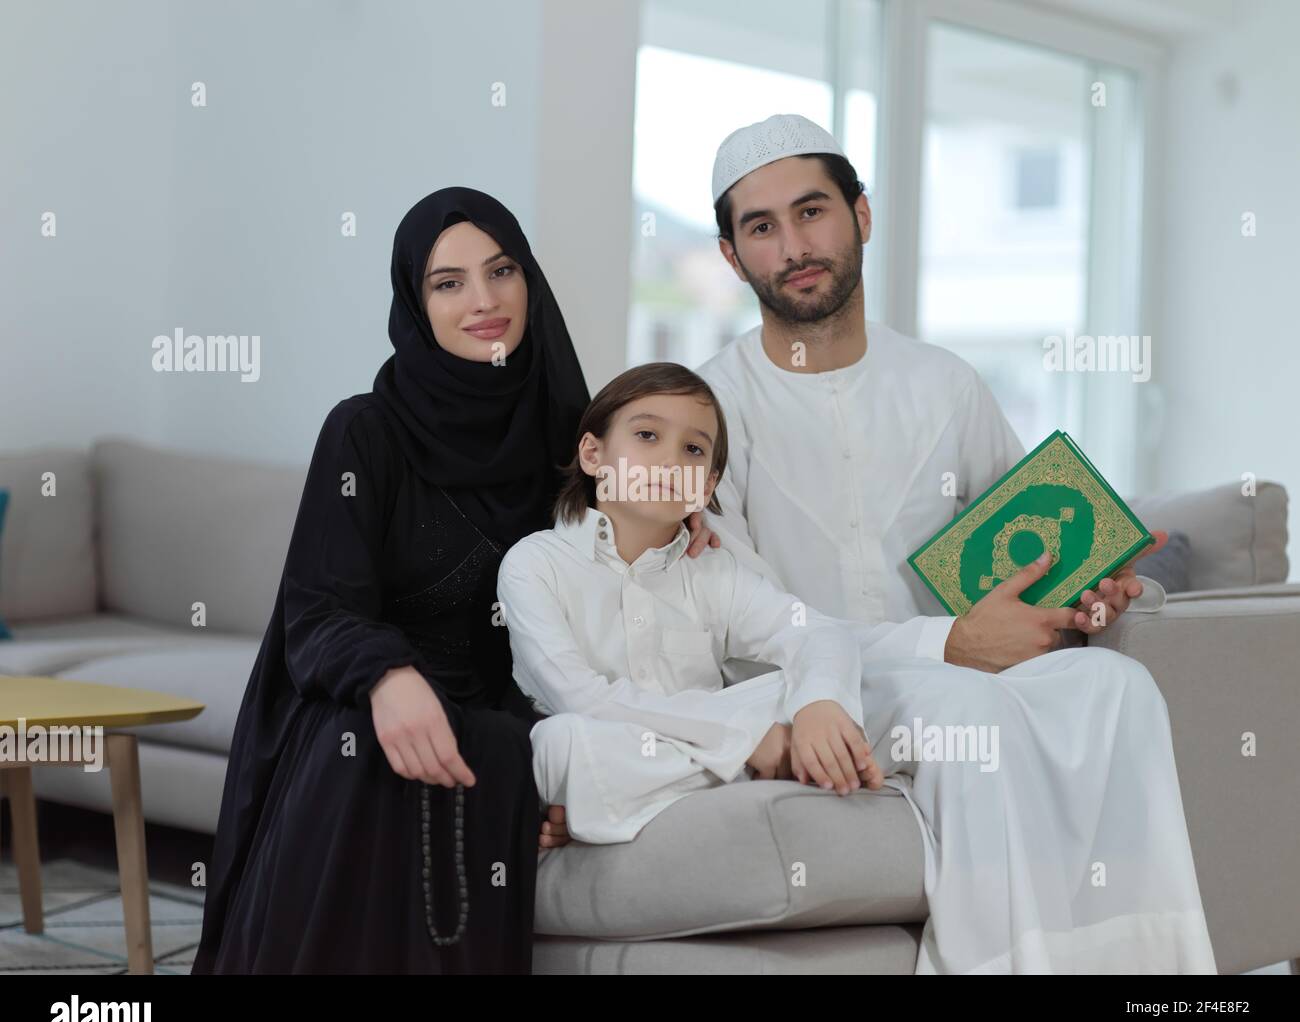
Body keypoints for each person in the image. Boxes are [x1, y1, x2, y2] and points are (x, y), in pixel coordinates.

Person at [498, 362, 1218, 974]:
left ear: (708, 482)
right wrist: (746, 734)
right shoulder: (535, 565)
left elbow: (816, 634)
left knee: (1114, 683)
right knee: (564, 744)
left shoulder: (709, 567)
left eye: (693, 451)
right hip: (614, 736)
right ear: (594, 454)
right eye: (647, 437)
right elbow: (579, 696)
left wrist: (813, 706)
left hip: (714, 733)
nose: (667, 461)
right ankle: (716, 762)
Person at [191, 187, 594, 974]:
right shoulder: (364, 431)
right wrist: (387, 673)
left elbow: (620, 578)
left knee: (496, 749)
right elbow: (317, 608)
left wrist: (687, 521)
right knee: (368, 747)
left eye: (501, 270)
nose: (482, 300)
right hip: (366, 705)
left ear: (528, 281)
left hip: (504, 727)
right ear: (416, 302)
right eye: (448, 283)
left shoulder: (577, 439)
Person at [695, 113, 1167, 681]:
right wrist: (946, 645)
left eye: (811, 212)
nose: (795, 248)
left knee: (1118, 683)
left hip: (963, 695)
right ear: (733, 258)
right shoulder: (703, 413)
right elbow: (739, 626)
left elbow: (1035, 555)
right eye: (762, 228)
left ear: (861, 216)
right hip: (796, 704)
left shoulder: (946, 385)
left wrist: (1084, 596)